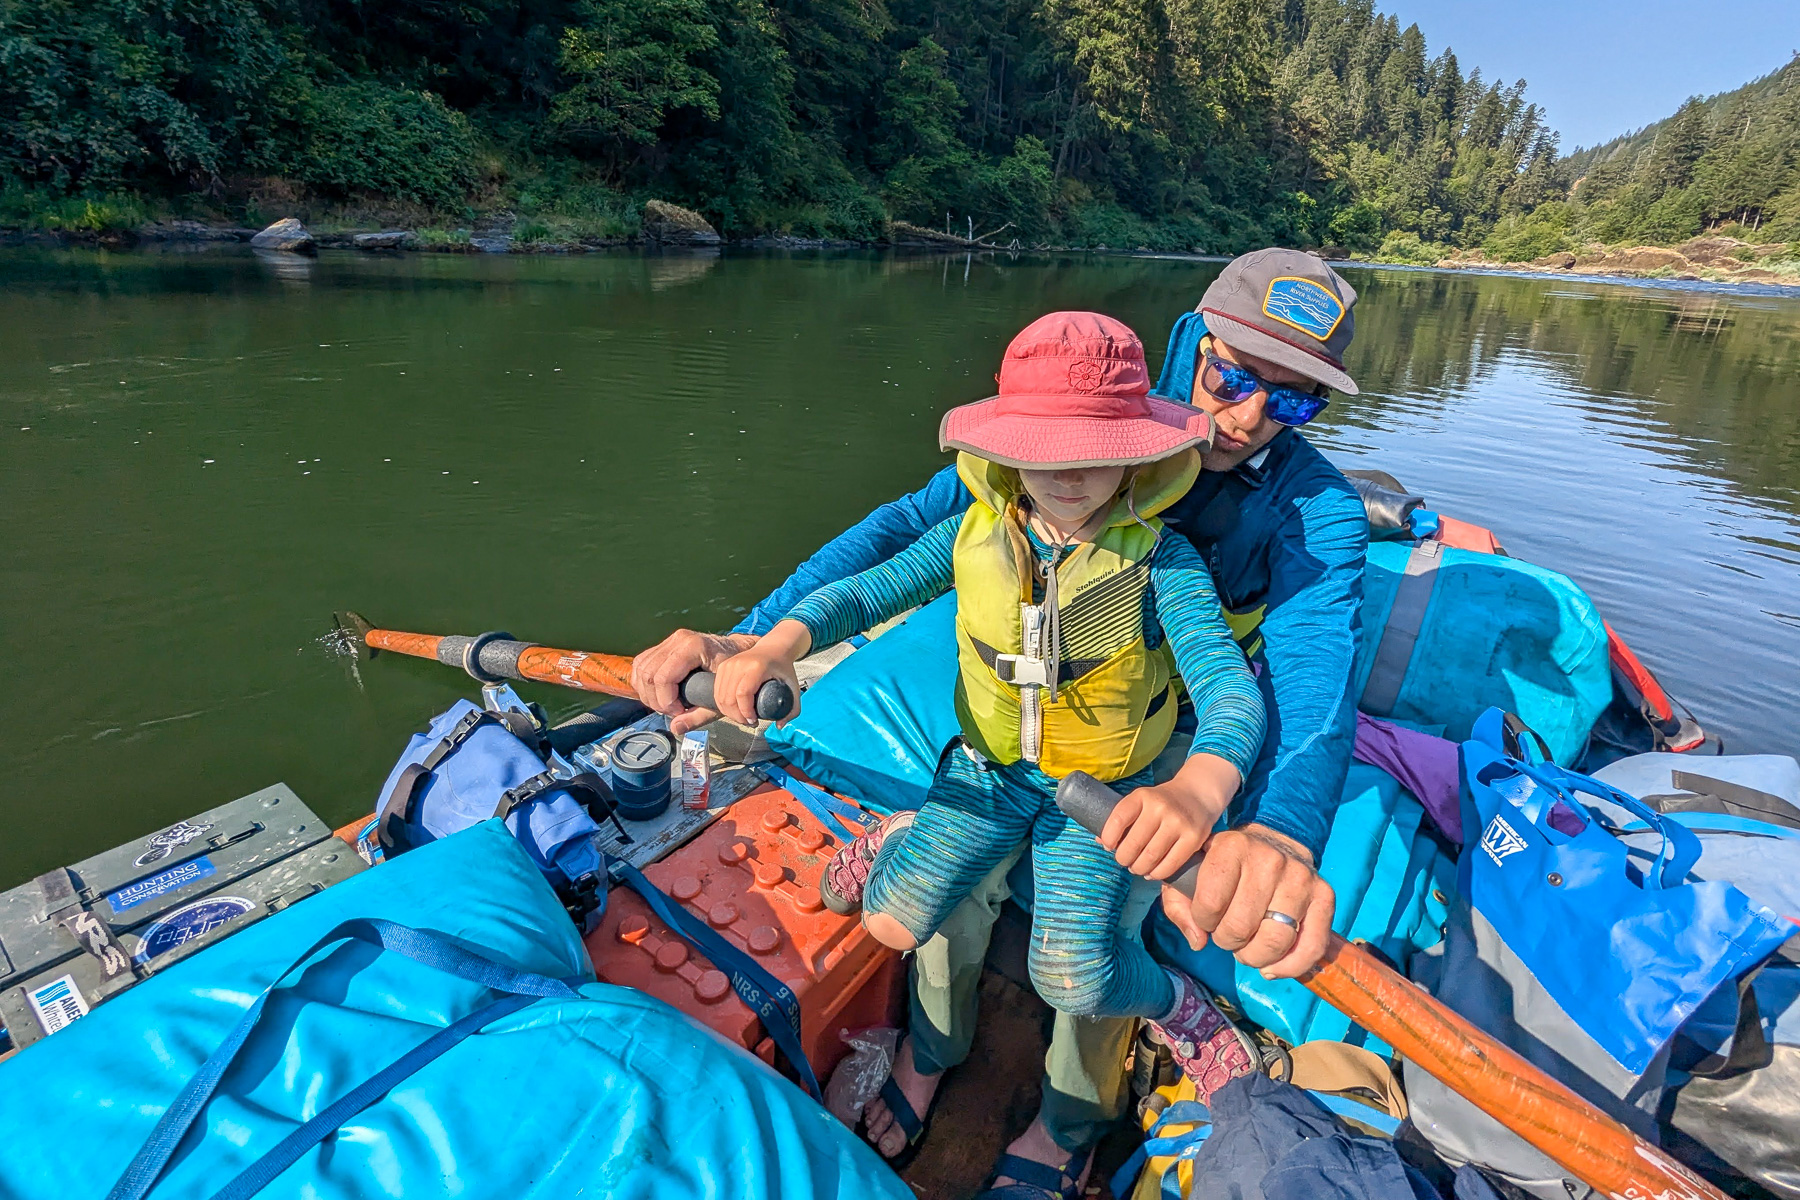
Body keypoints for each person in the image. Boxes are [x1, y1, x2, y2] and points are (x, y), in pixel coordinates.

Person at [631, 249, 1369, 1195]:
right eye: (1228, 375)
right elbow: (900, 544)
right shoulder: (1084, 418)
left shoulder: (1314, 512)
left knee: (1097, 932)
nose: (1246, 417)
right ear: (1188, 341)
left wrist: (1271, 832)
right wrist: (750, 638)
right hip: (1011, 728)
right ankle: (929, 1049)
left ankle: (1074, 1118)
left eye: (1295, 399)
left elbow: (1312, 675)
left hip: (1150, 736)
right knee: (941, 898)